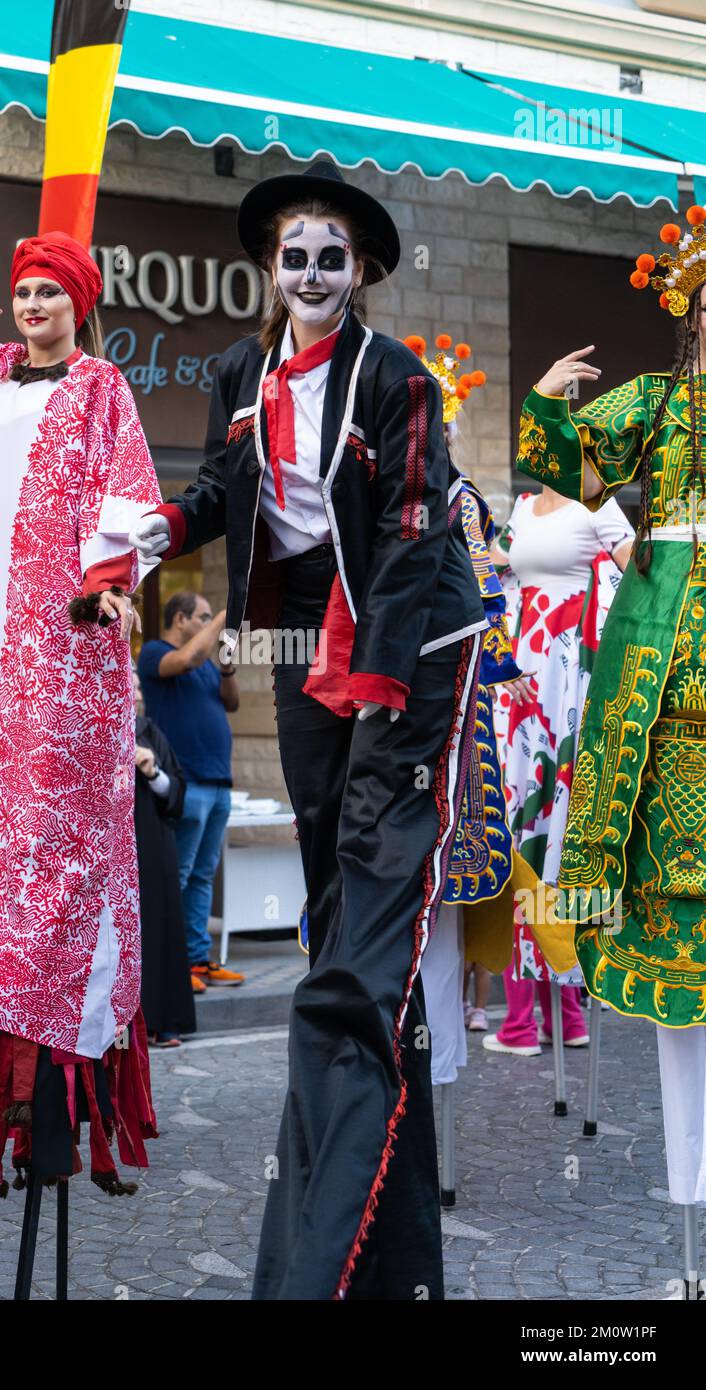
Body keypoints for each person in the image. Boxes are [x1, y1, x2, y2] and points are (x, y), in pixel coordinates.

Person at [130, 159, 486, 1301]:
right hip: (293, 649)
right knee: (333, 880)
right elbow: (224, 496)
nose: (314, 270)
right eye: (296, 254)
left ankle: (351, 1179)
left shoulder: (395, 379)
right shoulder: (241, 368)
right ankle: (363, 1198)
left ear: (361, 271)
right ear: (271, 269)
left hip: (395, 646)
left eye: (333, 255)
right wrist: (154, 530)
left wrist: (382, 677)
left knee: (369, 905)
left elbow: (414, 525)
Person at [0, 229, 160, 1199]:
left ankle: (76, 1109)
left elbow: (130, 498)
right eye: (24, 291)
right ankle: (11, 1113)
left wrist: (102, 583)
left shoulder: (99, 388)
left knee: (61, 870)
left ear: (81, 303)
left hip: (58, 663)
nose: (34, 305)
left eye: (52, 291)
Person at [516, 203, 706, 1213]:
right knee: (683, 1010)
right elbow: (556, 479)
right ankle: (688, 1198)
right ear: (691, 314)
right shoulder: (658, 402)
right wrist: (544, 405)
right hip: (653, 677)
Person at [400, 333, 530, 1088]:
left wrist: (505, 663)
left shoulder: (460, 499)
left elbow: (486, 595)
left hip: (453, 696)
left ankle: (439, 1059)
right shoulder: (377, 490)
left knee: (446, 882)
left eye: (437, 422)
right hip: (387, 692)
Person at [482, 478, 633, 1057]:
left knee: (560, 828)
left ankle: (563, 1008)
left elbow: (639, 581)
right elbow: (485, 570)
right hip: (519, 676)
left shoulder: (596, 507)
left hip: (568, 676)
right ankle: (527, 1016)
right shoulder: (520, 509)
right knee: (520, 826)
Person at [137, 591, 244, 990]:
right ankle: (170, 962)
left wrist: (229, 670)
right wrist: (225, 615)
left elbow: (231, 704)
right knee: (177, 874)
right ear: (180, 619)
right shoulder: (154, 653)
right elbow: (186, 660)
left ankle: (197, 959)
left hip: (218, 782)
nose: (207, 624)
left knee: (203, 875)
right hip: (188, 782)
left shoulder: (206, 666)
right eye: (201, 618)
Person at [132, 668, 197, 1046]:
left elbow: (176, 791)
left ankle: (162, 1020)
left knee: (159, 928)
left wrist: (152, 772)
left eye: (140, 686)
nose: (138, 693)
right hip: (114, 853)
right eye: (132, 685)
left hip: (153, 846)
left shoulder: (150, 731)